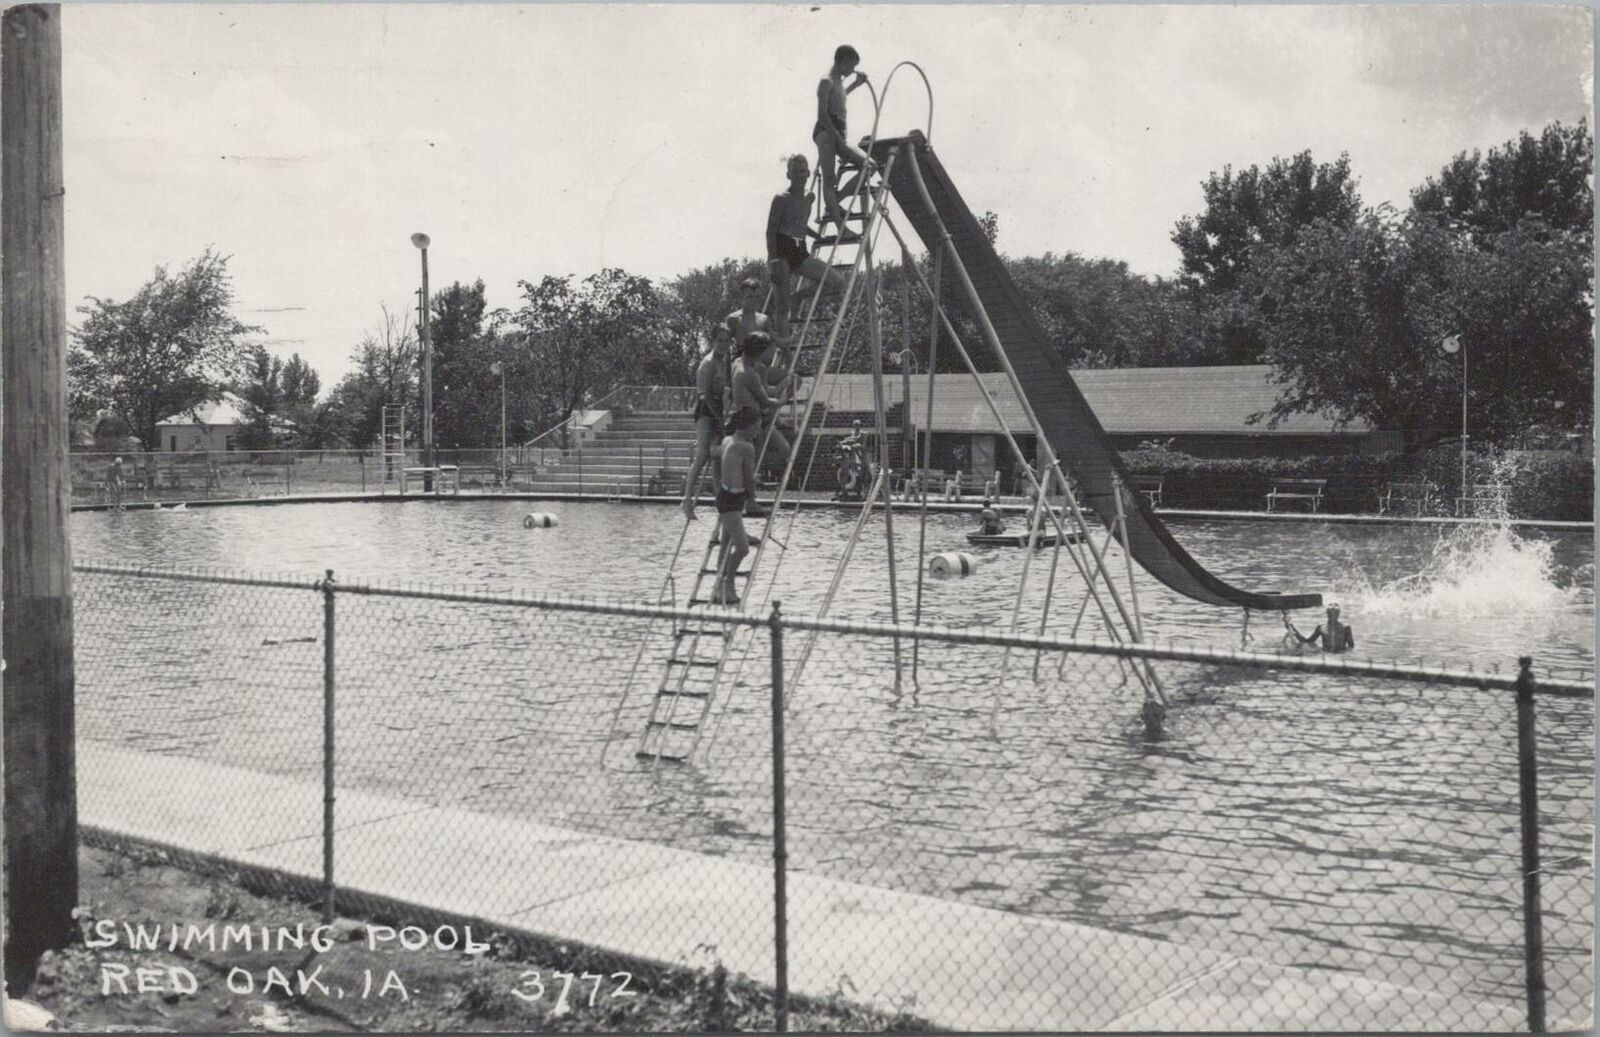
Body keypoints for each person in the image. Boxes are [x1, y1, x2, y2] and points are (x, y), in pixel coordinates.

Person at [767, 154, 849, 338]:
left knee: (838, 282)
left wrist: (818, 236)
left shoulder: (809, 198)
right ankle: (786, 350)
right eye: (795, 172)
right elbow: (771, 231)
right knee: (782, 306)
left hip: (799, 250)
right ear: (788, 175)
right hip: (781, 250)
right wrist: (773, 261)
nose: (799, 176)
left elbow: (800, 224)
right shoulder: (780, 198)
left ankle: (798, 297)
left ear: (808, 174)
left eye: (802, 172)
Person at [814, 45, 874, 232]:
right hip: (826, 132)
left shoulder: (838, 82)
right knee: (829, 179)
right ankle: (841, 227)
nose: (852, 70)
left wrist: (856, 84)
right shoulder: (826, 81)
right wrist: (838, 140)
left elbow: (839, 99)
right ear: (843, 61)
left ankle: (835, 200)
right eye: (851, 65)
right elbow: (822, 115)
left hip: (838, 132)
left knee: (869, 166)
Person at [681, 326, 731, 520]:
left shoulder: (723, 360)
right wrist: (718, 418)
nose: (723, 345)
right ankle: (686, 500)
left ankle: (722, 505)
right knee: (702, 455)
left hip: (717, 407)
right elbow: (706, 395)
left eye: (726, 341)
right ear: (713, 341)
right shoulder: (708, 363)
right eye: (720, 341)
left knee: (718, 461)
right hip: (705, 410)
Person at [713, 408, 760, 607]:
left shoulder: (727, 440)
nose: (758, 430)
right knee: (742, 548)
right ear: (749, 426)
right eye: (757, 426)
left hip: (728, 495)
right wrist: (752, 500)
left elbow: (717, 457)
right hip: (732, 500)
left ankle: (719, 586)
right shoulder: (746, 447)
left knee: (725, 544)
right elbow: (748, 477)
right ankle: (728, 584)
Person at [731, 331, 793, 474]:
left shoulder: (738, 363)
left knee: (770, 451)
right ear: (759, 352)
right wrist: (784, 393)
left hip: (749, 414)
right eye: (768, 350)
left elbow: (762, 390)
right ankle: (748, 480)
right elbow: (766, 400)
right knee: (755, 455)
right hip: (751, 419)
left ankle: (753, 478)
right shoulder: (748, 373)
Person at [1290, 603, 1356, 653]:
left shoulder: (1346, 628)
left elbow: (1351, 647)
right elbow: (1307, 641)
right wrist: (1292, 627)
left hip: (1340, 655)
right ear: (1327, 613)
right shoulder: (1321, 627)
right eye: (1330, 613)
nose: (1333, 615)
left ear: (1339, 613)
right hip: (1326, 654)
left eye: (1335, 613)